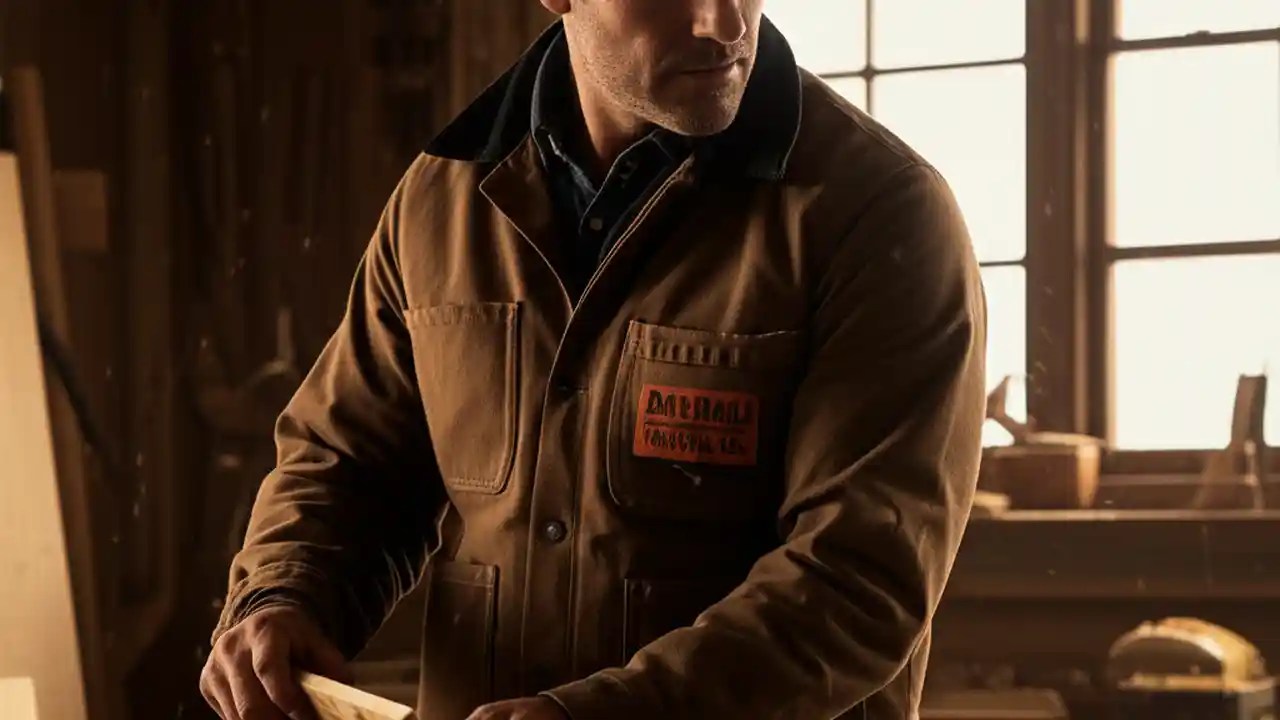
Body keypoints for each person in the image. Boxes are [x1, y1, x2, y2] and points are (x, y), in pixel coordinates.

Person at [199, 0, 987, 718]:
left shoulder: (880, 215)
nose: (724, 25)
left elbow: (856, 578)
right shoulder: (440, 200)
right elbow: (348, 465)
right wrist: (282, 595)